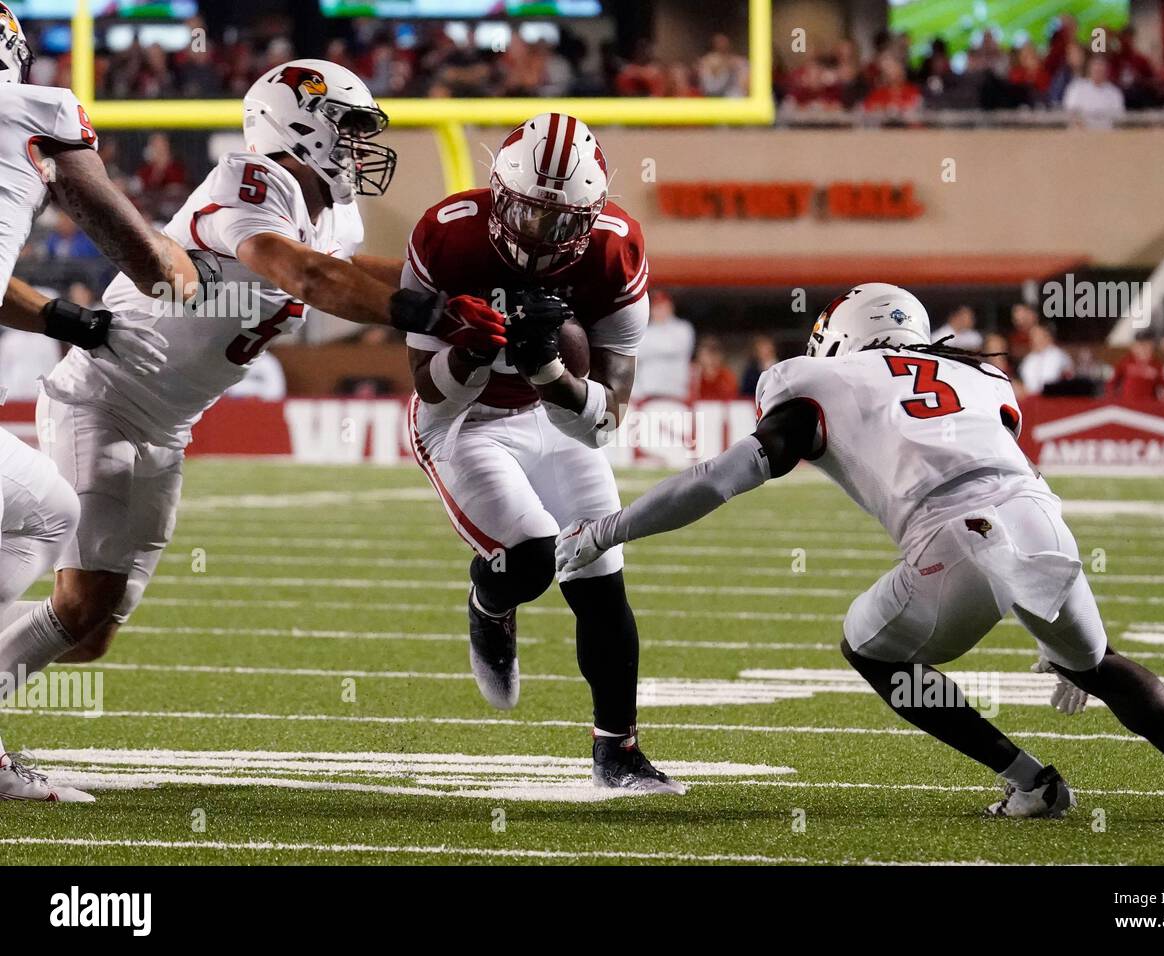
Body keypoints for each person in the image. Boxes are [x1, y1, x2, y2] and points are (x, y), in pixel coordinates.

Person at [557, 282, 1164, 826]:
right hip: (1042, 521)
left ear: (840, 335)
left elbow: (716, 480)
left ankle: (1030, 781)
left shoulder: (815, 384)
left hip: (952, 541)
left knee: (869, 649)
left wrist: (605, 531)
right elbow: (1003, 472)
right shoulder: (980, 377)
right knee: (1099, 662)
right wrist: (1057, 615)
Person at [33, 60, 452, 678]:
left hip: (168, 427)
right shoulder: (250, 181)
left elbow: (347, 268)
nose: (362, 144)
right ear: (299, 125)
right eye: (350, 125)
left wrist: (463, 284)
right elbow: (305, 273)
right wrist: (434, 313)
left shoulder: (334, 214)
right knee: (80, 604)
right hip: (104, 398)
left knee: (93, 631)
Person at [403, 113, 682, 794]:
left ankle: (617, 752)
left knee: (599, 575)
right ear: (497, 192)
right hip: (462, 420)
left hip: (552, 419)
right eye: (529, 215)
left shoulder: (617, 248)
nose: (540, 237)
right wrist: (474, 345)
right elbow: (426, 388)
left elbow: (602, 424)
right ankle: (489, 602)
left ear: (591, 215)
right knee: (529, 556)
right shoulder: (447, 234)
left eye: (561, 223)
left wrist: (551, 373)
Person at [0, 2, 215, 802]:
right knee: (45, 513)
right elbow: (119, 233)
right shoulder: (36, 108)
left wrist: (65, 318)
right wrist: (166, 262)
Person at [632, 290, 693, 399]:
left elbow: (676, 347)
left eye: (663, 306)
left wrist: (649, 348)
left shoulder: (683, 328)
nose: (660, 311)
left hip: (676, 394)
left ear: (670, 307)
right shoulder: (644, 330)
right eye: (657, 307)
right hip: (648, 393)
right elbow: (635, 353)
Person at [1062, 55, 1125, 128]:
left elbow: (1119, 119)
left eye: (1101, 68)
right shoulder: (1077, 88)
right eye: (1095, 68)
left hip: (1107, 135)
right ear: (1089, 69)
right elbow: (1070, 112)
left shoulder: (1114, 92)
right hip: (1081, 134)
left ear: (1106, 70)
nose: (1098, 71)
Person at [1109, 334, 1164, 401]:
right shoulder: (1126, 362)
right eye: (1140, 345)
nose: (1143, 349)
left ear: (1152, 347)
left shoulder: (1157, 366)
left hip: (1148, 404)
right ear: (1133, 348)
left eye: (1146, 345)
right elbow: (1112, 382)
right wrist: (1113, 398)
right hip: (1128, 403)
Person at [1018, 324, 1072, 394]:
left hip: (1053, 397)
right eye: (1033, 337)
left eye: (1038, 336)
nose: (1035, 340)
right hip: (1031, 398)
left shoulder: (1058, 356)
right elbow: (1024, 382)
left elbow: (1050, 380)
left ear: (1048, 337)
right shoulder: (1028, 359)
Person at [690, 335, 739, 401]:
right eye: (707, 354)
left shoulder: (727, 376)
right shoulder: (692, 374)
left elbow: (732, 400)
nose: (711, 359)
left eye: (714, 353)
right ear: (699, 355)